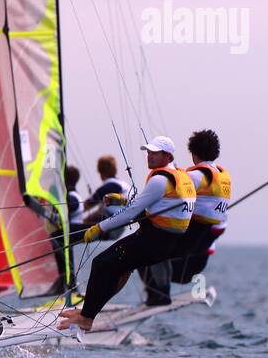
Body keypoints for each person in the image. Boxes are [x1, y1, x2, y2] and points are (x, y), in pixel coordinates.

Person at [56, 135, 195, 332]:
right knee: (118, 269)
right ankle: (88, 313)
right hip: (168, 241)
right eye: (148, 152)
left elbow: (131, 214)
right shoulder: (180, 176)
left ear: (167, 155)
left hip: (155, 239)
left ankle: (86, 316)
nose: (149, 156)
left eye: (154, 153)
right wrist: (122, 200)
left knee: (101, 263)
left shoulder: (160, 180)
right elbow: (148, 202)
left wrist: (98, 228)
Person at [170, 128, 231, 285]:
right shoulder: (223, 177)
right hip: (201, 254)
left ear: (193, 154)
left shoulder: (194, 176)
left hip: (184, 254)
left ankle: (158, 294)